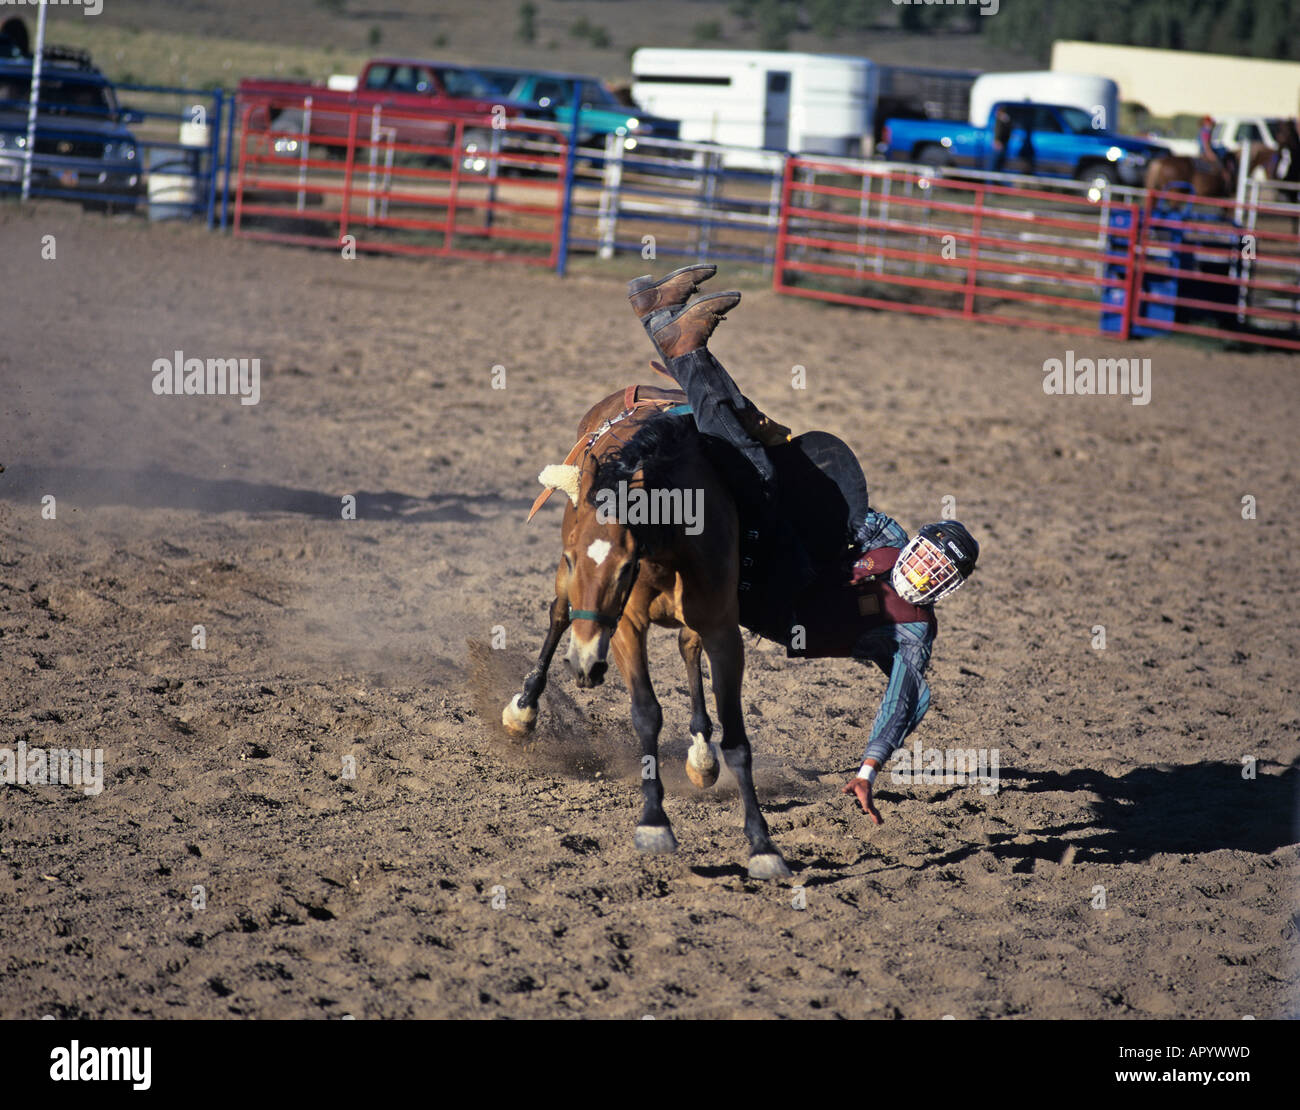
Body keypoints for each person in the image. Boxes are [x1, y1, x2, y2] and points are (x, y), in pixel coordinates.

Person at [626, 264, 980, 825]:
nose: (927, 571)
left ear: (949, 587)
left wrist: (868, 768)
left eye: (941, 571)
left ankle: (665, 325)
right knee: (754, 446)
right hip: (783, 554)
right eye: (932, 554)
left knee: (752, 464)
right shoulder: (885, 534)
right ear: (921, 542)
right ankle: (669, 327)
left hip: (774, 595)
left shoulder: (912, 634)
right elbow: (834, 506)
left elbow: (903, 700)